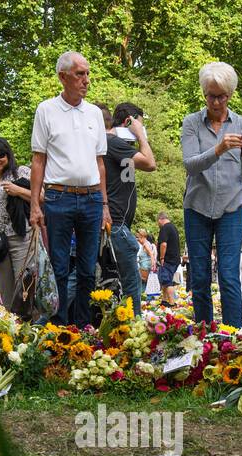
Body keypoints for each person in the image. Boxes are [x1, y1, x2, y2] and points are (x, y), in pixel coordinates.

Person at [180, 62, 242, 328]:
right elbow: (190, 164)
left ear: (230, 94)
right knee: (200, 276)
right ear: (204, 94)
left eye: (221, 96)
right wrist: (217, 149)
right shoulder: (191, 123)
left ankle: (233, 336)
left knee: (229, 275)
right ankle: (205, 335)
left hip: (232, 207)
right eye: (210, 95)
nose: (216, 102)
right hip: (197, 207)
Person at [30, 51, 109, 326]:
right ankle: (58, 330)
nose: (86, 80)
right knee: (59, 268)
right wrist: (34, 205)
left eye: (88, 74)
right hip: (57, 197)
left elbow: (100, 163)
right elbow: (38, 160)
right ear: (63, 77)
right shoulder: (46, 110)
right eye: (80, 74)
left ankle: (84, 329)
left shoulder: (95, 114)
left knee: (88, 270)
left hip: (90, 199)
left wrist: (105, 205)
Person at [102, 103, 157, 315]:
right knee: (131, 281)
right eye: (140, 124)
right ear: (129, 122)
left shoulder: (115, 145)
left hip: (116, 223)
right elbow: (151, 164)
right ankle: (134, 322)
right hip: (116, 224)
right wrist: (141, 135)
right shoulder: (113, 142)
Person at [0, 137, 36, 317]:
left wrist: (18, 191)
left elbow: (41, 196)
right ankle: (13, 329)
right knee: (6, 289)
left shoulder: (21, 173)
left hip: (21, 235)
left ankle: (33, 327)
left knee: (25, 284)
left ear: (8, 155)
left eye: (1, 155)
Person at [156, 211, 181, 305]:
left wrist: (162, 258)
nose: (158, 224)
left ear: (161, 219)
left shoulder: (165, 228)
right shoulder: (173, 227)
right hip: (174, 258)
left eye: (158, 221)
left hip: (168, 259)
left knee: (166, 280)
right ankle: (164, 300)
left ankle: (171, 302)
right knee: (165, 280)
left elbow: (163, 244)